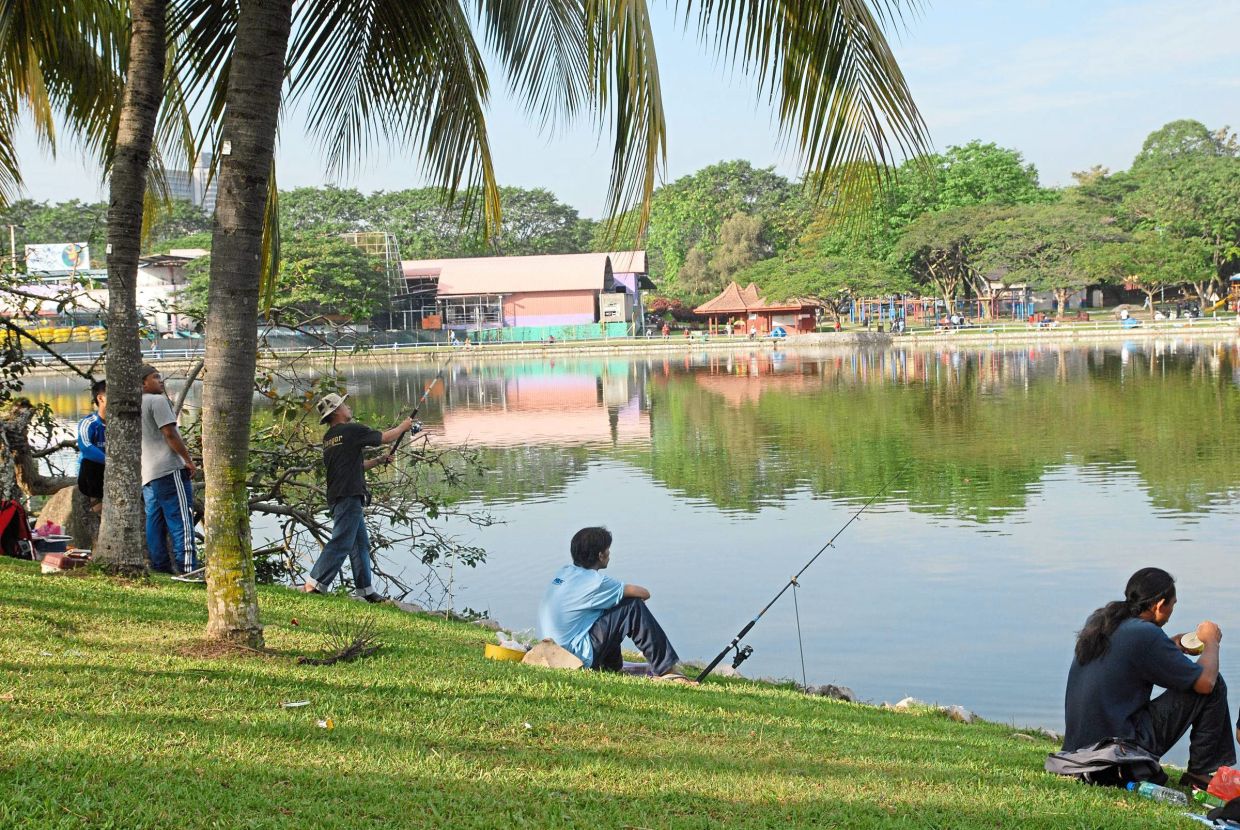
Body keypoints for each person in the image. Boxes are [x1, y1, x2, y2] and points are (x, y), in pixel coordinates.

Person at [1062, 567, 1233, 787]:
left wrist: (1172, 645)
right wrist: (1211, 641)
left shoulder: (1100, 619)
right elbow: (1205, 683)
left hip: (1078, 750)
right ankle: (1200, 773)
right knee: (1215, 683)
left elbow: (1130, 655)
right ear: (1160, 605)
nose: (1172, 611)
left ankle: (1199, 773)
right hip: (1117, 751)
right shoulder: (1146, 635)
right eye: (1172, 604)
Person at [303, 392, 417, 601]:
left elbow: (353, 466)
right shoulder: (351, 430)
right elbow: (382, 438)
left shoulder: (329, 439)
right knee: (342, 541)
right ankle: (314, 583)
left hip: (338, 494)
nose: (348, 407)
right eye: (344, 404)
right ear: (337, 411)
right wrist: (403, 427)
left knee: (359, 543)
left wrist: (379, 460)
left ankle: (365, 590)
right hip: (349, 494)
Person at [537, 526, 683, 679]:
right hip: (573, 658)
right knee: (632, 606)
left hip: (550, 650)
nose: (609, 553)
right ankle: (667, 669)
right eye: (608, 549)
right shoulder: (596, 582)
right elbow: (644, 593)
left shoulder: (564, 572)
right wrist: (620, 601)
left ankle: (612, 666)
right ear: (601, 555)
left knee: (614, 608)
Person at [140, 365, 198, 574]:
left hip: (147, 474)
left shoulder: (134, 404)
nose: (161, 380)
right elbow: (169, 433)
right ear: (143, 383)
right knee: (181, 518)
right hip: (168, 469)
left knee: (154, 521)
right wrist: (188, 460)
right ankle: (188, 568)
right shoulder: (157, 401)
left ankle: (160, 567)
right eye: (155, 377)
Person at [77, 379, 107, 510]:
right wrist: (111, 462)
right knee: (89, 463)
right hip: (96, 471)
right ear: (101, 398)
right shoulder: (90, 423)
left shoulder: (125, 423)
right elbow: (86, 447)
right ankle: (97, 507)